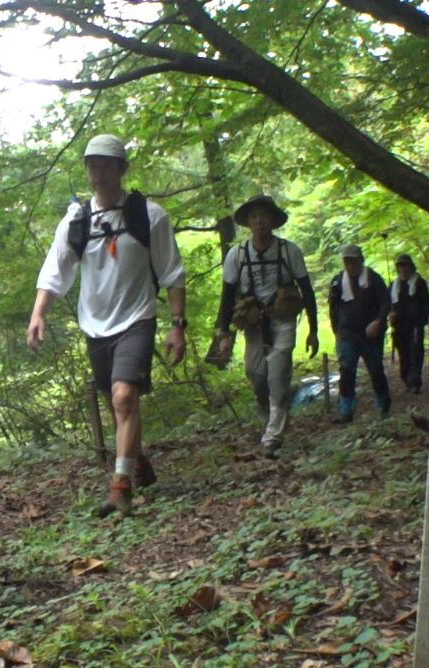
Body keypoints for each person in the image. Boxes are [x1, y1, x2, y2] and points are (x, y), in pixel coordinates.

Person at [28, 134, 188, 517]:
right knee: (117, 403)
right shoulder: (77, 220)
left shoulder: (149, 216)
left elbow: (172, 273)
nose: (97, 173)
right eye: (92, 166)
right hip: (95, 326)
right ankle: (136, 458)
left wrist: (177, 325)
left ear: (122, 169)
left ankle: (120, 488)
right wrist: (38, 314)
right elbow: (55, 272)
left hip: (137, 319)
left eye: (105, 165)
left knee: (123, 397)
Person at [212, 195, 318, 459]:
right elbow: (227, 296)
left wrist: (313, 330)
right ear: (248, 222)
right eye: (254, 216)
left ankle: (272, 437)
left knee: (278, 378)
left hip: (283, 321)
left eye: (264, 216)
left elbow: (307, 291)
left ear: (273, 221)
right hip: (254, 325)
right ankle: (271, 413)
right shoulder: (236, 255)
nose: (259, 221)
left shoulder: (289, 251)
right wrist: (223, 333)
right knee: (256, 375)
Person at [327, 244, 392, 421]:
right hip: (347, 334)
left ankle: (383, 406)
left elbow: (386, 303)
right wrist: (337, 331)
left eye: (353, 261)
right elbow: (333, 308)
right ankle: (346, 411)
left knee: (376, 370)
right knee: (346, 372)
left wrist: (378, 321)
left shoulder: (374, 279)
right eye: (347, 261)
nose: (350, 265)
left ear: (361, 260)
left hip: (371, 335)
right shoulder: (337, 282)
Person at [389, 253, 429, 394]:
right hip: (399, 326)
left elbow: (427, 302)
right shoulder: (393, 286)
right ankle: (406, 378)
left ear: (411, 267)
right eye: (400, 266)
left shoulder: (418, 282)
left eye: (405, 266)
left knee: (416, 352)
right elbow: (388, 304)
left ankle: (415, 381)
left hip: (416, 324)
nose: (403, 269)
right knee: (403, 354)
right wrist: (390, 314)